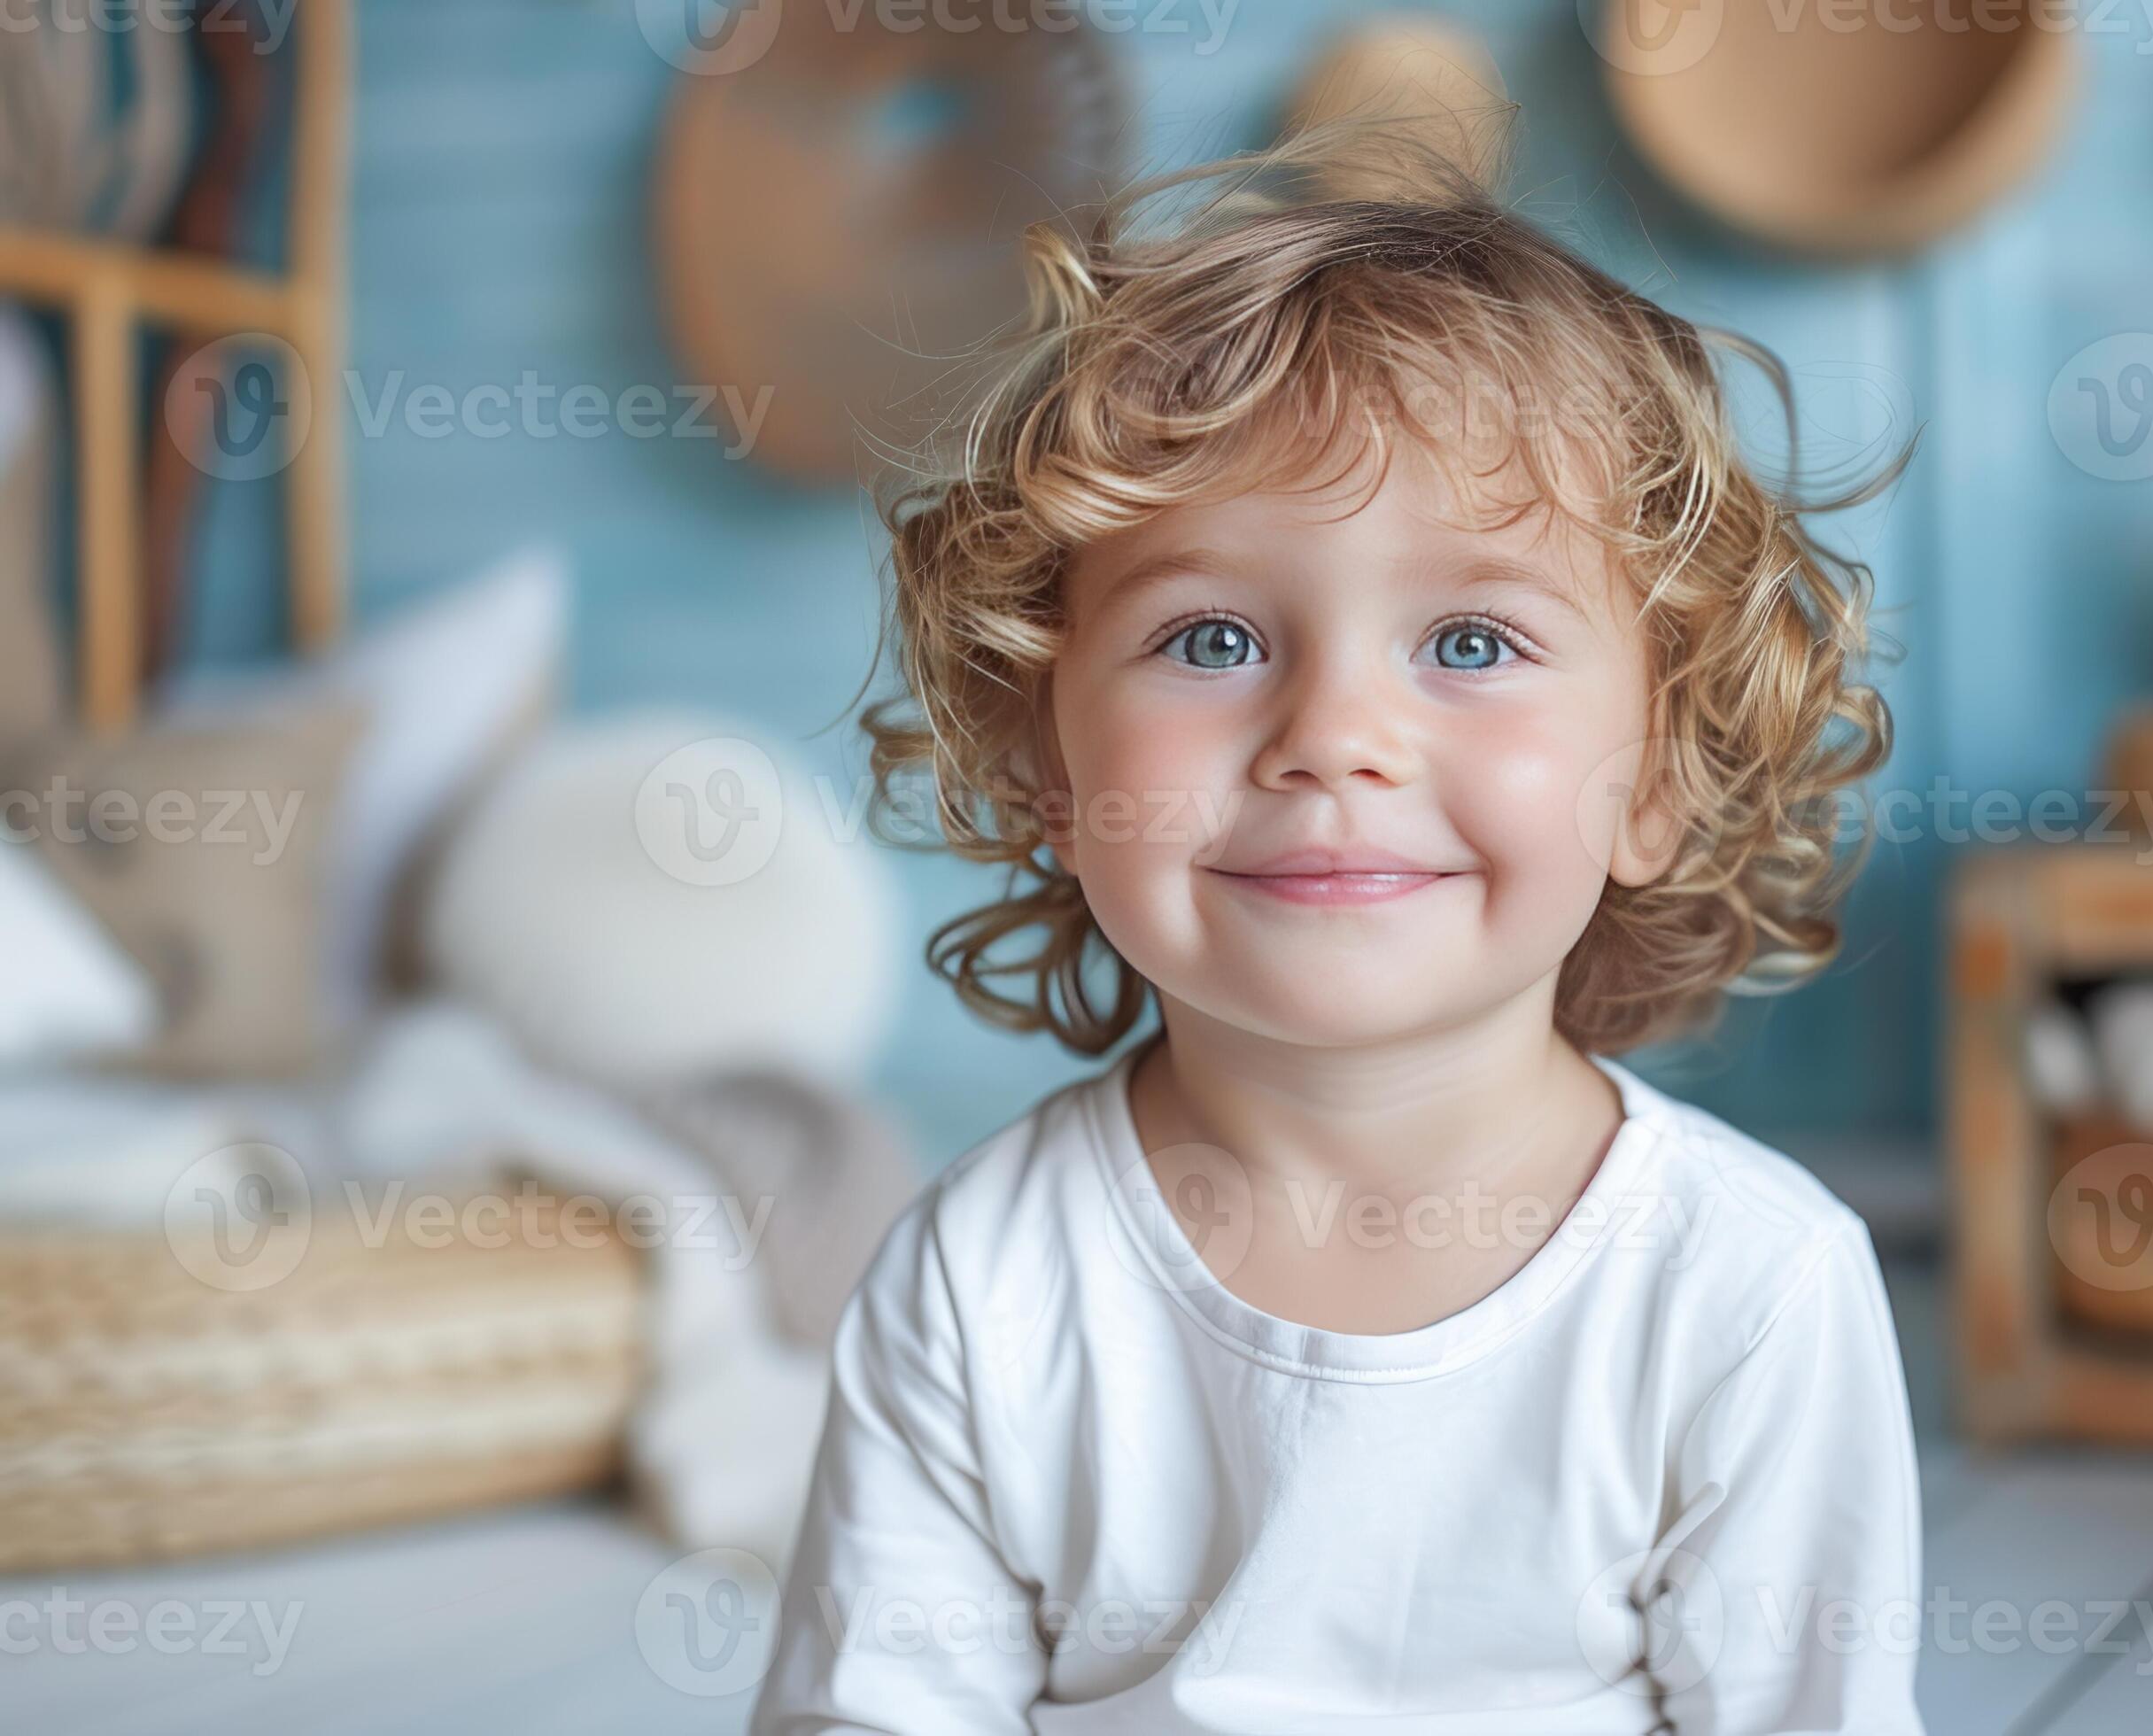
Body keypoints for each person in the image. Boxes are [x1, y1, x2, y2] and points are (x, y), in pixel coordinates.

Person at [751, 108, 1925, 1733]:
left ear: (1659, 778)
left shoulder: (1744, 1286)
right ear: (1044, 766)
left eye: (1470, 642)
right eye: (1212, 639)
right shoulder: (982, 1280)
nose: (1332, 736)